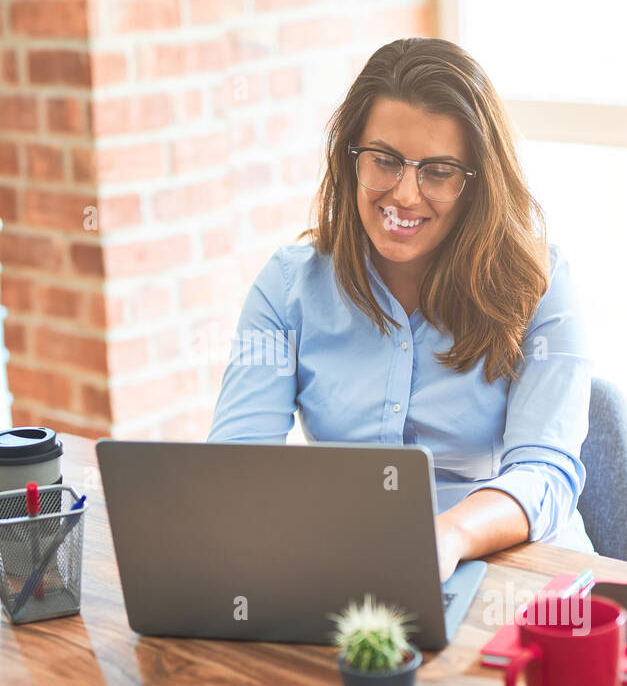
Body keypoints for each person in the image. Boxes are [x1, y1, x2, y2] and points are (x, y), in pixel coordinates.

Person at [207, 37, 596, 579]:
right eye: (385, 161)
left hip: (515, 566)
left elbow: (545, 472)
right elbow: (237, 468)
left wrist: (448, 534)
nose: (405, 195)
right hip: (358, 570)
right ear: (351, 159)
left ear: (476, 184)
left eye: (437, 171)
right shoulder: (289, 287)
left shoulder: (541, 282)